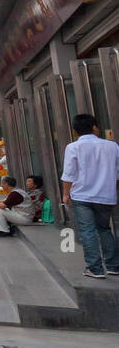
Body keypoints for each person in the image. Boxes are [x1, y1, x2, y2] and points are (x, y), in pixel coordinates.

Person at [60, 113, 119, 279]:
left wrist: (66, 194)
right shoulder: (112, 146)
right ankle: (113, 265)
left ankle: (95, 268)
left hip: (82, 196)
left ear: (75, 131)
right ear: (94, 127)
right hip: (106, 195)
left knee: (88, 231)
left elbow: (68, 175)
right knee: (105, 229)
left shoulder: (73, 147)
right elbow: (117, 172)